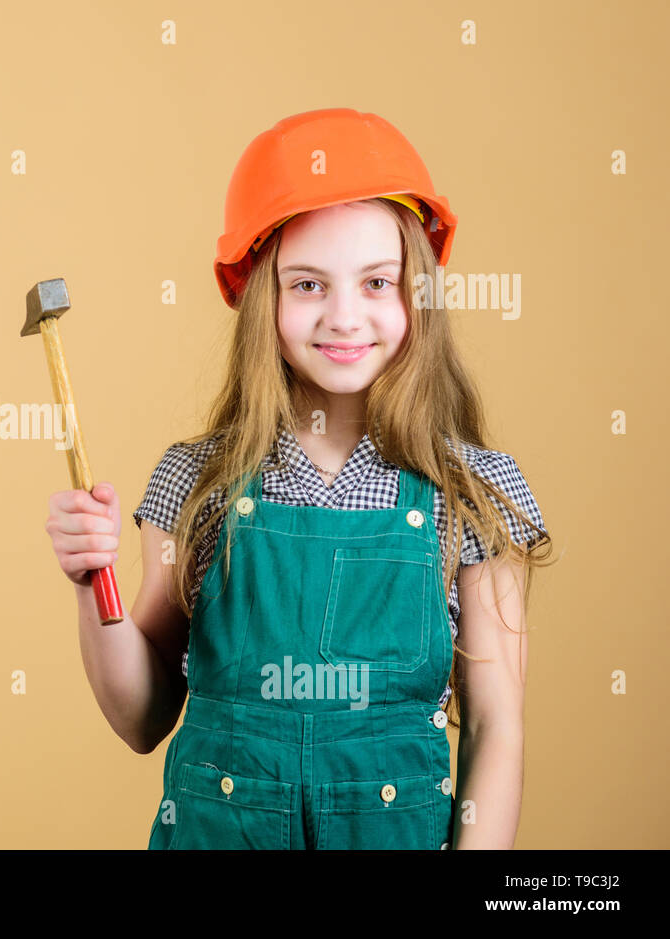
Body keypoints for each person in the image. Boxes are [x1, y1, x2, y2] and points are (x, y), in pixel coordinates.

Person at [44, 108, 554, 849]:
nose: (345, 317)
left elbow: (493, 725)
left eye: (378, 282)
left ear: (418, 292)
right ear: (262, 299)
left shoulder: (473, 491)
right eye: (309, 284)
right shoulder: (198, 481)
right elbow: (140, 716)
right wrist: (94, 586)